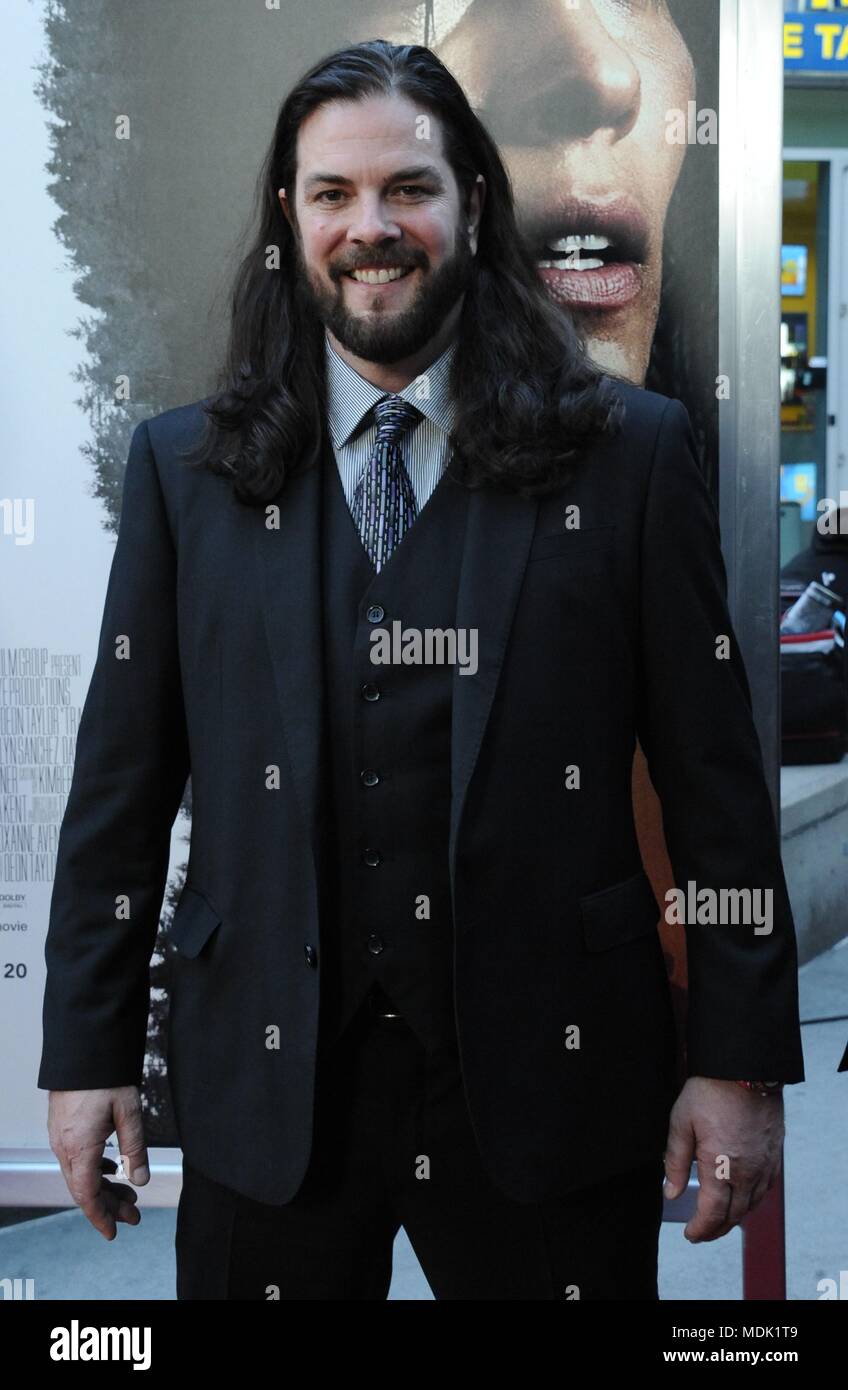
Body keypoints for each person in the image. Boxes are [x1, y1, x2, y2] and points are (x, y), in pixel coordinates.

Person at [38, 40, 804, 1301]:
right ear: (289, 217)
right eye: (331, 194)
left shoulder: (627, 458)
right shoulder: (185, 473)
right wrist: (87, 1053)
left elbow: (715, 791)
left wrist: (736, 1068)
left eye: (408, 189)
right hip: (269, 1097)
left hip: (550, 1096)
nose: (370, 228)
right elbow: (118, 792)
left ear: (472, 206)